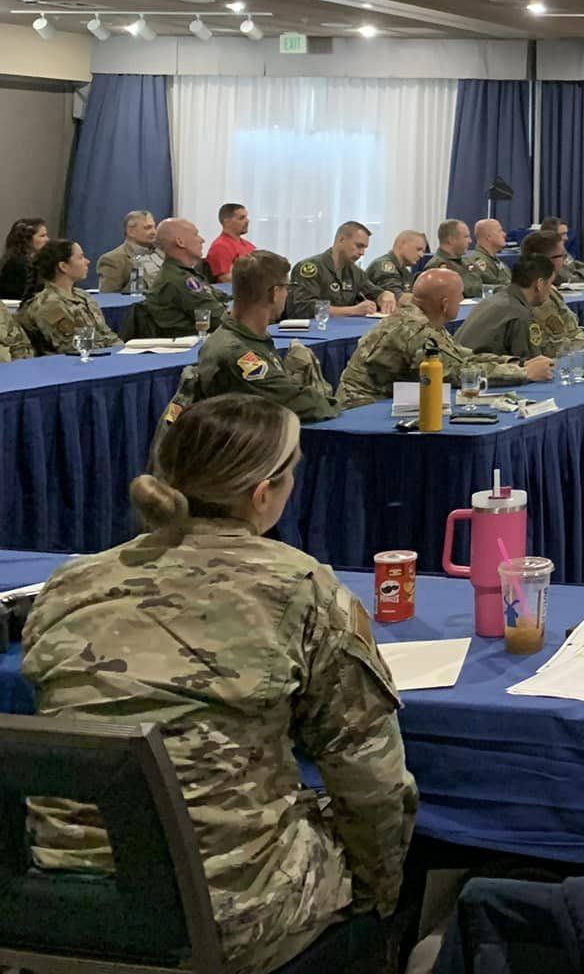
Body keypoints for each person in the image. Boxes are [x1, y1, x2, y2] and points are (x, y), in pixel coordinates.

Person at [21, 395, 417, 974]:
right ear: (263, 494)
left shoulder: (70, 584)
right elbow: (370, 776)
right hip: (226, 919)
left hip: (60, 905)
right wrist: (380, 895)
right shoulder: (302, 588)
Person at [165, 251, 340, 426]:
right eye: (286, 288)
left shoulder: (249, 337)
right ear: (274, 293)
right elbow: (295, 403)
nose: (287, 294)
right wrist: (331, 403)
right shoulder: (236, 352)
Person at [335, 267, 548, 409]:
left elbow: (461, 357)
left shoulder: (425, 319)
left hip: (390, 402)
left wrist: (516, 362)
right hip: (363, 410)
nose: (463, 299)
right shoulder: (416, 331)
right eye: (460, 296)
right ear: (445, 304)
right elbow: (457, 374)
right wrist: (523, 373)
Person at [133, 216, 230, 338]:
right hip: (190, 346)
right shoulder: (179, 279)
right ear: (180, 242)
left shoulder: (183, 273)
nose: (202, 240)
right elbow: (218, 319)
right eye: (196, 235)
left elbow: (219, 297)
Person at [18, 238, 120, 354]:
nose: (87, 262)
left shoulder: (84, 296)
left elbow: (107, 334)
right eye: (80, 257)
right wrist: (107, 348)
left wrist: (121, 350)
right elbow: (72, 347)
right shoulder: (48, 304)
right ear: (63, 266)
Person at [455, 255, 560, 360]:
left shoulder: (492, 301)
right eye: (550, 283)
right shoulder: (520, 315)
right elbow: (531, 364)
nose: (551, 290)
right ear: (540, 284)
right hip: (482, 372)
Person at [284, 221, 389, 319]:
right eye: (359, 246)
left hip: (342, 331)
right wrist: (352, 311)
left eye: (364, 248)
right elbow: (303, 308)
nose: (362, 253)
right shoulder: (310, 268)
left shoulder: (356, 272)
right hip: (312, 332)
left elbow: (374, 292)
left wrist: (384, 295)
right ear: (341, 240)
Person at [513, 230, 584, 356]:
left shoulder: (551, 292)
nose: (564, 261)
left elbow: (574, 330)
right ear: (545, 261)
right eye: (562, 256)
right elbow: (551, 349)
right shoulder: (530, 298)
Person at [96, 208, 164, 293]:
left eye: (154, 227)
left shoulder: (163, 252)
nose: (154, 232)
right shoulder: (113, 259)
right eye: (147, 228)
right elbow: (108, 298)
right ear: (131, 232)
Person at [422, 218, 482, 297]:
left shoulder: (466, 262)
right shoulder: (437, 266)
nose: (470, 241)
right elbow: (463, 292)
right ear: (451, 240)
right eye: (466, 237)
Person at [363, 228, 428, 300]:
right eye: (418, 249)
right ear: (402, 244)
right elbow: (396, 297)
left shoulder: (405, 272)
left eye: (423, 251)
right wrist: (425, 300)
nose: (421, 255)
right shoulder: (384, 265)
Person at [205, 202, 257, 282]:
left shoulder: (249, 246)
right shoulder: (220, 247)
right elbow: (224, 279)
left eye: (246, 217)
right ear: (227, 222)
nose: (247, 221)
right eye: (241, 218)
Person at [0, 215, 47, 299]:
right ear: (28, 239)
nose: (47, 239)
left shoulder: (34, 262)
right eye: (42, 236)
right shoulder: (17, 263)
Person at [540, 215, 584, 280]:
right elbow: (569, 279)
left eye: (566, 234)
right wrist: (580, 276)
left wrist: (578, 275)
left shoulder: (562, 250)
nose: (566, 238)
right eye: (563, 234)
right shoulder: (547, 256)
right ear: (550, 235)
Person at [470, 218, 512, 290]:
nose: (504, 234)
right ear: (489, 237)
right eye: (500, 231)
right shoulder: (478, 262)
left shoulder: (496, 261)